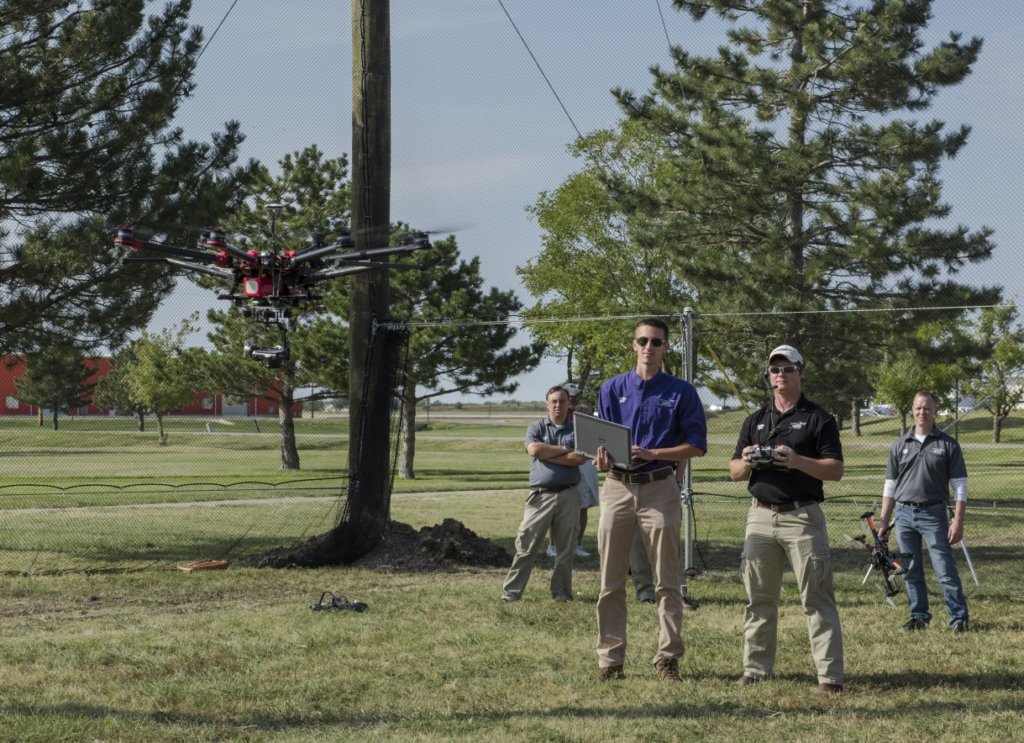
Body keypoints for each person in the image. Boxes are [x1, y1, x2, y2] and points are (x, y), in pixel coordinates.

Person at [593, 318, 707, 682]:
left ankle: (668, 657)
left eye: (656, 341)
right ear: (633, 345)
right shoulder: (611, 389)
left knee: (667, 579)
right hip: (617, 486)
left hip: (660, 487)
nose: (649, 347)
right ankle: (610, 660)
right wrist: (600, 456)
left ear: (666, 347)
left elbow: (696, 446)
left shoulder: (681, 392)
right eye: (643, 340)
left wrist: (655, 453)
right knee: (611, 580)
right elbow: (600, 439)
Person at [729, 344, 845, 696]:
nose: (781, 374)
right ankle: (755, 669)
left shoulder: (818, 418)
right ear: (769, 376)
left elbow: (835, 470)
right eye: (775, 369)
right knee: (759, 599)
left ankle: (829, 678)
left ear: (801, 372)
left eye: (788, 368)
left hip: (802, 516)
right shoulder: (755, 419)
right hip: (760, 516)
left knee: (816, 598)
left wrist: (796, 461)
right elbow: (734, 471)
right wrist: (750, 459)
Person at [877, 389, 970, 633]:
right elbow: (890, 486)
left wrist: (958, 521)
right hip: (904, 515)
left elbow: (960, 487)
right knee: (909, 570)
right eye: (918, 408)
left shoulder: (948, 444)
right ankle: (919, 617)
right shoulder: (899, 445)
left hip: (934, 515)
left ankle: (958, 619)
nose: (922, 412)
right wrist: (884, 521)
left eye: (927, 408)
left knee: (945, 570)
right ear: (912, 410)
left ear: (935, 410)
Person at [501, 385, 588, 602]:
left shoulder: (577, 429)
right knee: (526, 546)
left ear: (569, 404)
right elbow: (534, 450)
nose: (558, 405)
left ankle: (561, 594)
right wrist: (565, 450)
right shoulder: (536, 427)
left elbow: (579, 459)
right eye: (554, 401)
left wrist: (546, 452)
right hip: (540, 496)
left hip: (569, 495)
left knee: (565, 550)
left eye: (562, 401)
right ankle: (511, 593)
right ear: (547, 403)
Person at [547, 382, 599, 558]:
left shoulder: (585, 411)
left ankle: (577, 544)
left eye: (576, 395)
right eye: (570, 396)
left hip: (585, 462)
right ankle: (553, 545)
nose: (573, 399)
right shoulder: (558, 412)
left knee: (582, 506)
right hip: (564, 461)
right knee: (558, 507)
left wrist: (587, 417)